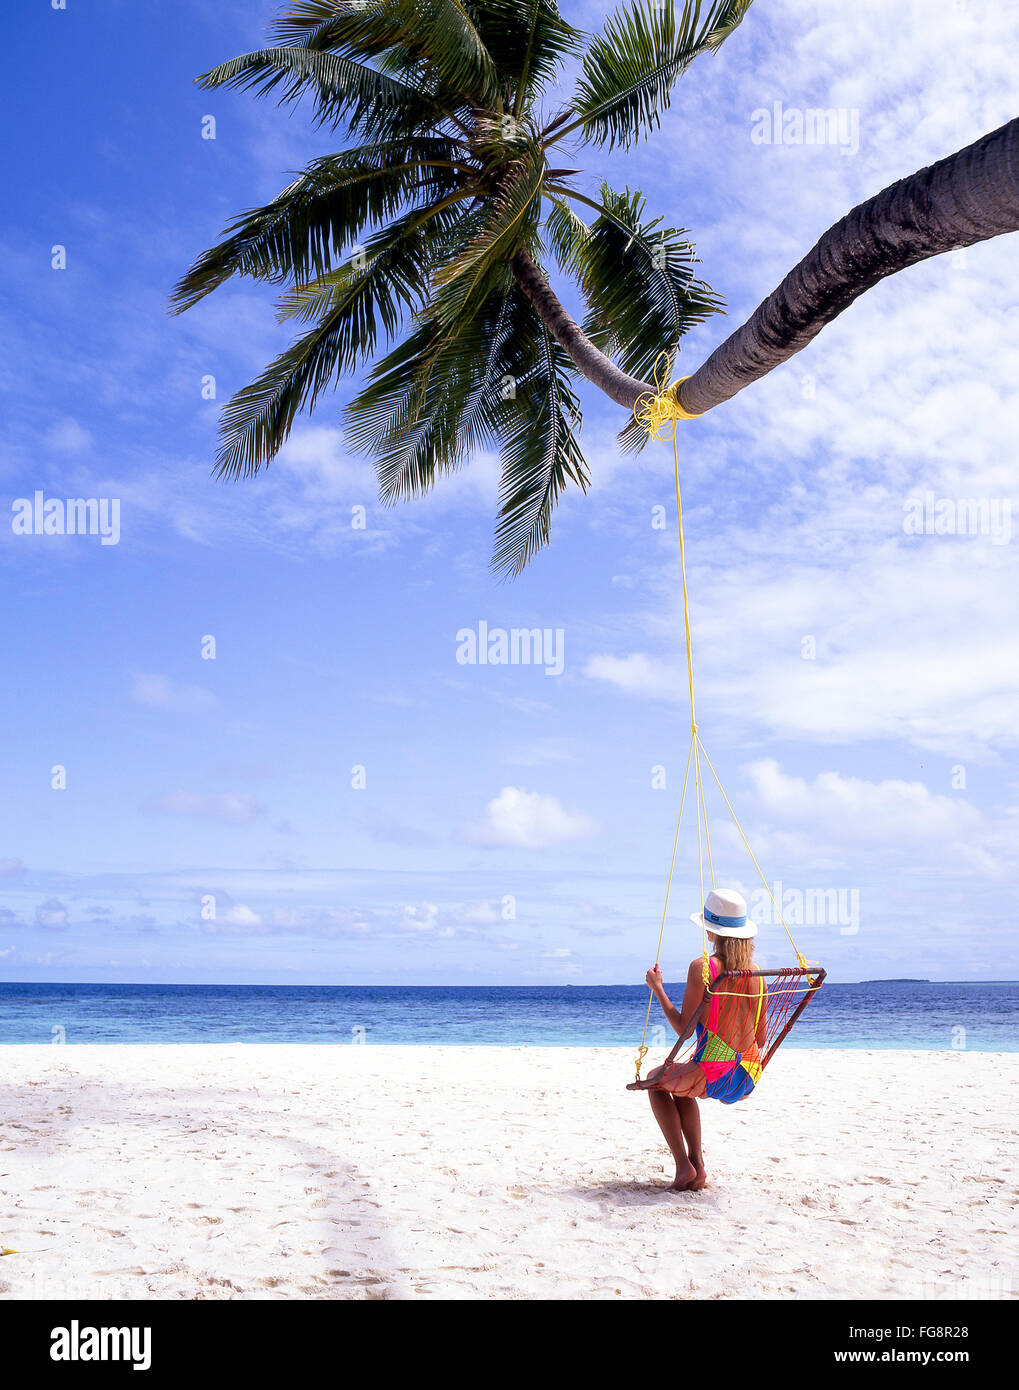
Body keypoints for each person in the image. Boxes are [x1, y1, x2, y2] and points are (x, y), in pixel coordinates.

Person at [629, 888, 765, 1191]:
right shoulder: (757, 973)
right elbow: (761, 1036)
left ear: (711, 929)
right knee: (681, 1086)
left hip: (715, 1073)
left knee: (655, 1081)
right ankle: (698, 1168)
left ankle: (683, 1167)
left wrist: (658, 990)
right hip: (748, 1074)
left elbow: (684, 1029)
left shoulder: (702, 968)